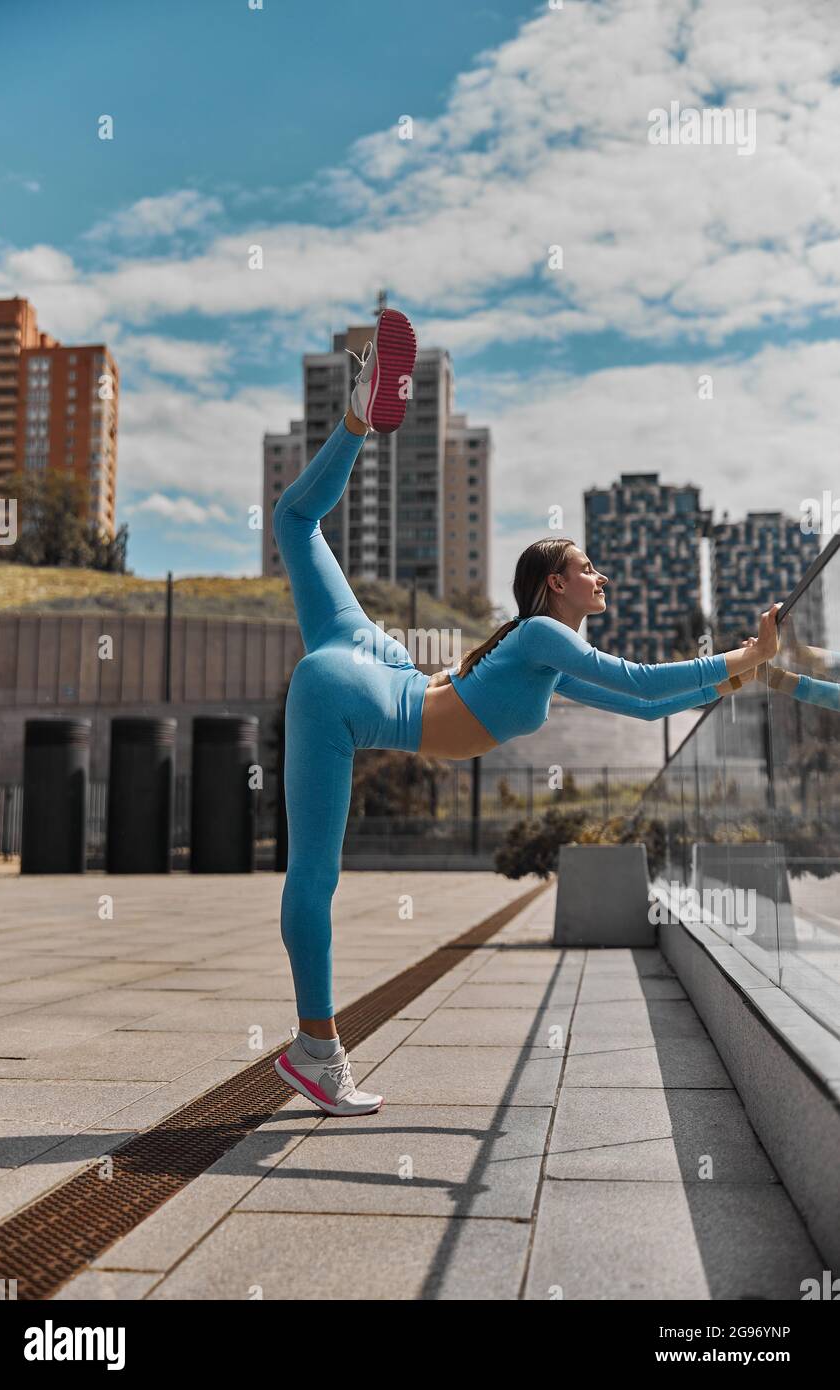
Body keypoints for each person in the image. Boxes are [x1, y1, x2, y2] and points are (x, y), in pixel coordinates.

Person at [272, 306, 780, 1116]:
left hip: (374, 662)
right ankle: (314, 1054)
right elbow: (644, 682)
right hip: (363, 690)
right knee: (314, 875)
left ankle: (358, 417)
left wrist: (733, 680)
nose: (601, 576)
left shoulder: (539, 655)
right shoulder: (546, 634)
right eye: (588, 567)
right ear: (555, 586)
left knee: (295, 522)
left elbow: (648, 709)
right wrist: (741, 659)